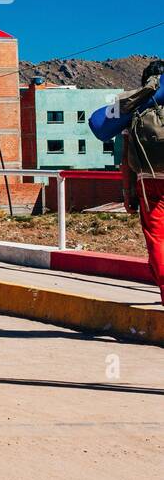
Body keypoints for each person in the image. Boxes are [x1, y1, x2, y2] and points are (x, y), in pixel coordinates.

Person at [90, 59, 164, 303]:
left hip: (149, 180)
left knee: (158, 238)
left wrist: (127, 192)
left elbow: (125, 159)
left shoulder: (137, 106)